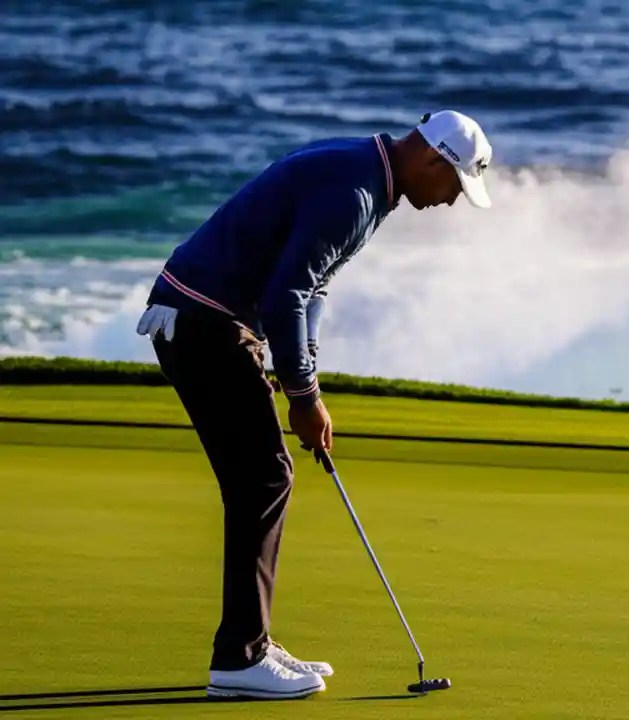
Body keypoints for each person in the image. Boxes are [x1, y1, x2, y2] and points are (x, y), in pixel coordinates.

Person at [135, 111, 493, 699]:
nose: (452, 201)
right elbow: (288, 293)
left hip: (210, 321)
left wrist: (303, 377)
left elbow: (312, 287)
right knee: (263, 478)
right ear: (432, 160)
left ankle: (250, 643)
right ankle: (240, 659)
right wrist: (305, 397)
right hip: (202, 322)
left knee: (261, 477)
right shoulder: (355, 192)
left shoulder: (366, 178)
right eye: (454, 185)